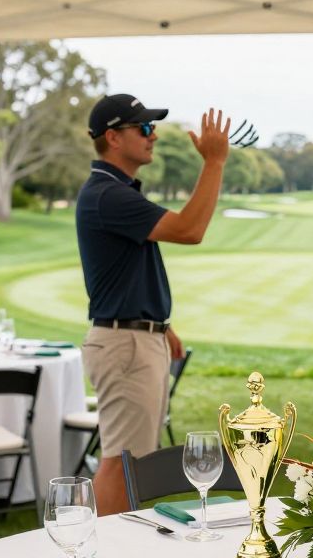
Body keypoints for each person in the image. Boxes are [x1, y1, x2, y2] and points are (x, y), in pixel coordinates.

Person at [77, 93, 231, 515]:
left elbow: (128, 274)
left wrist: (161, 326)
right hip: (125, 345)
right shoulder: (108, 194)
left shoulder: (115, 191)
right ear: (113, 137)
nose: (153, 136)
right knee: (123, 464)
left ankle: (106, 553)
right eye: (143, 128)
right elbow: (190, 228)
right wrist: (214, 161)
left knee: (129, 460)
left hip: (135, 338)